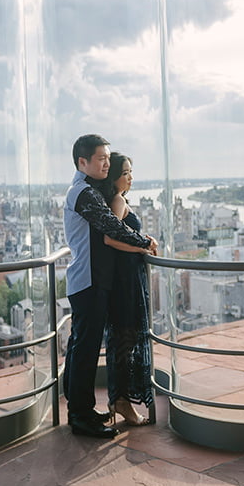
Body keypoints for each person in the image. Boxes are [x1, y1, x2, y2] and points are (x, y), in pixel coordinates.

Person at [63, 134, 157, 438]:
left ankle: (83, 410)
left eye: (107, 158)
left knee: (84, 348)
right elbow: (112, 227)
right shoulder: (84, 193)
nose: (106, 163)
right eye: (101, 159)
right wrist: (145, 242)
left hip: (91, 280)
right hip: (87, 281)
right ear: (83, 162)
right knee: (85, 349)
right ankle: (79, 416)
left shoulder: (88, 191)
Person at [95, 152, 155, 426]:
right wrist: (142, 245)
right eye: (126, 173)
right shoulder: (117, 201)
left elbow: (119, 236)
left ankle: (119, 399)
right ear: (116, 177)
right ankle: (121, 401)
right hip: (125, 281)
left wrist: (142, 242)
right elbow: (111, 238)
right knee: (125, 341)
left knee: (123, 340)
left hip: (126, 278)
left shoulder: (117, 200)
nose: (131, 178)